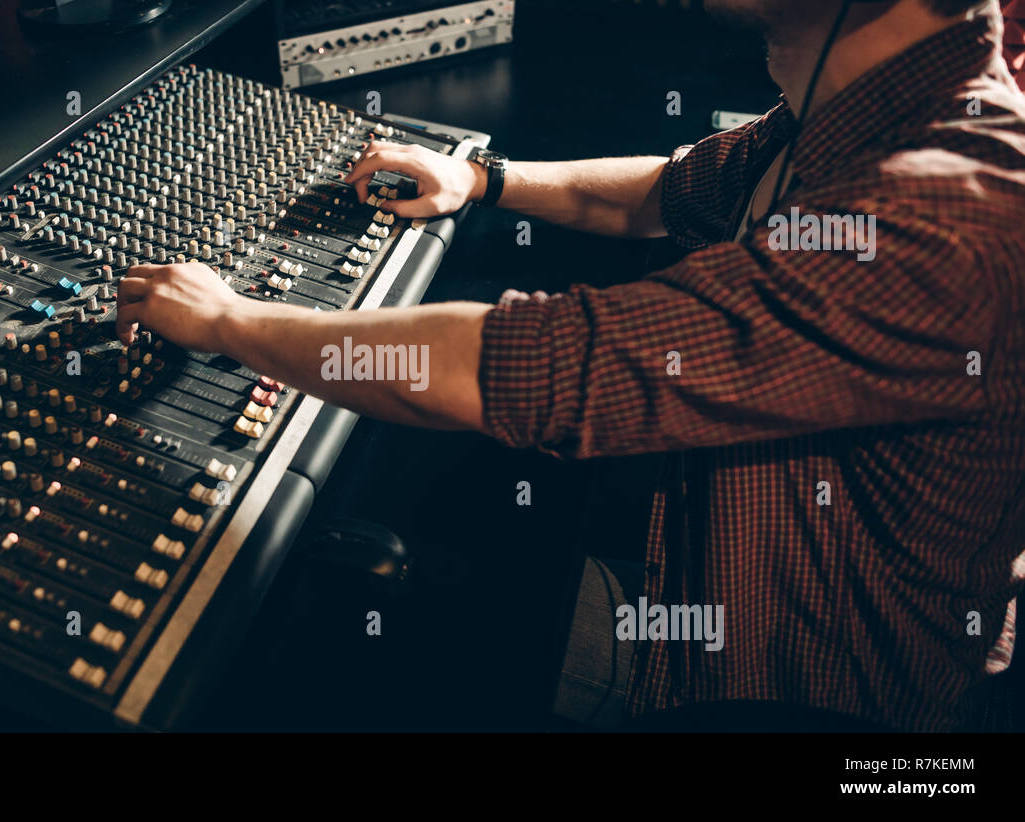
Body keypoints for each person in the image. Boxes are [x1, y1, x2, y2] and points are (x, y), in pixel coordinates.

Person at [115, 0, 1025, 731]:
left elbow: (522, 369)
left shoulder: (943, 224)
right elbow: (671, 191)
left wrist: (231, 319)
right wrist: (484, 179)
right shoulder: (874, 104)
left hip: (804, 701)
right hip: (711, 609)